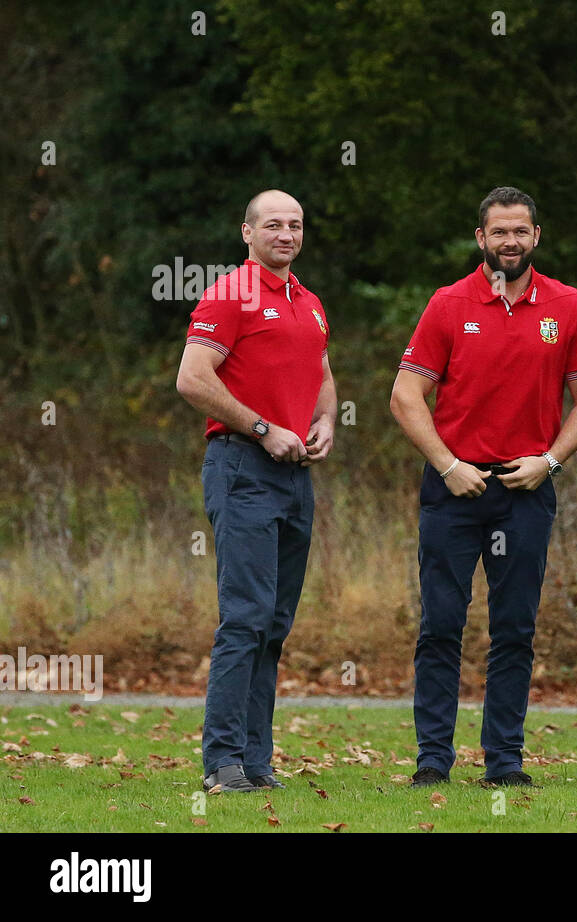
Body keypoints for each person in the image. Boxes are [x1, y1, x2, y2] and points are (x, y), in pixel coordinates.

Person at [389, 186, 577, 788]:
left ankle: (504, 762)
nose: (510, 242)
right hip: (454, 489)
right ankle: (433, 760)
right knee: (440, 626)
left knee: (514, 629)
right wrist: (447, 464)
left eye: (520, 231)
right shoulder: (447, 304)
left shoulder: (570, 307)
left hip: (526, 487)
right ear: (480, 238)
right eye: (498, 232)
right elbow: (406, 395)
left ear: (536, 237)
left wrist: (551, 462)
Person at [176, 189, 336, 793]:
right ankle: (221, 763)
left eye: (295, 225)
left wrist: (323, 422)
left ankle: (256, 761)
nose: (286, 234)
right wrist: (264, 428)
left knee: (274, 622)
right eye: (274, 225)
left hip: (296, 476)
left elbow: (323, 377)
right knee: (244, 618)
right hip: (243, 466)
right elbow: (192, 379)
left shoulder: (310, 303)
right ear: (247, 233)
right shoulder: (230, 295)